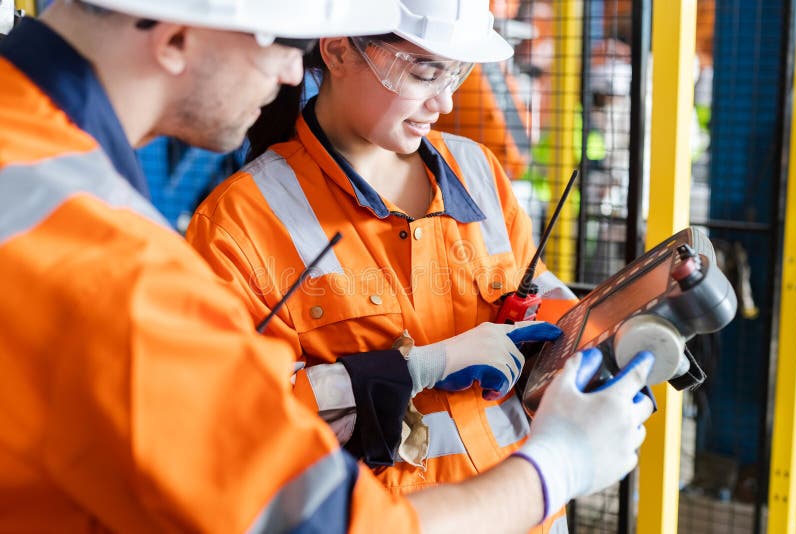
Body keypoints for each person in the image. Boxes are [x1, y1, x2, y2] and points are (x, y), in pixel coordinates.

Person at [0, 0, 654, 531]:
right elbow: (320, 521)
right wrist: (558, 467)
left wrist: (597, 334)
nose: (294, 72)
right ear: (174, 37)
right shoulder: (120, 264)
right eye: (283, 41)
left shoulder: (34, 163)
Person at [186, 1, 623, 531]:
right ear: (339, 49)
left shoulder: (478, 170)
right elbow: (242, 420)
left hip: (524, 509)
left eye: (458, 72)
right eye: (423, 71)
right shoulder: (243, 220)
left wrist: (595, 330)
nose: (443, 102)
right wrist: (421, 367)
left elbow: (533, 283)